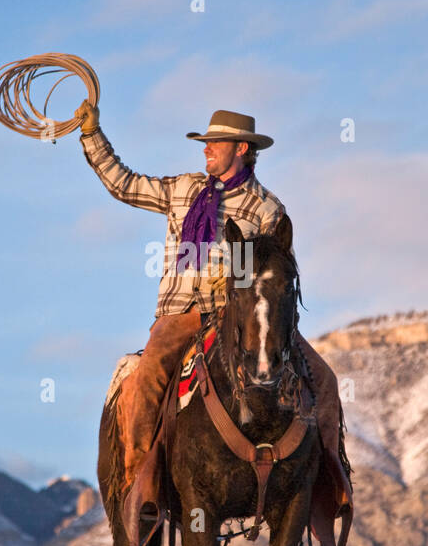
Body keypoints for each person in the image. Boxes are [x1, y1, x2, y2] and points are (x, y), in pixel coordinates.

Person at [74, 99, 352, 519]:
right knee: (149, 374)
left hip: (242, 319)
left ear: (241, 149)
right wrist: (92, 133)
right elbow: (124, 184)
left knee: (325, 380)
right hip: (181, 313)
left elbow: (273, 274)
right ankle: (139, 482)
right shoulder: (183, 189)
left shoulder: (267, 210)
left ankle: (328, 482)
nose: (205, 148)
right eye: (205, 142)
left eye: (214, 142)